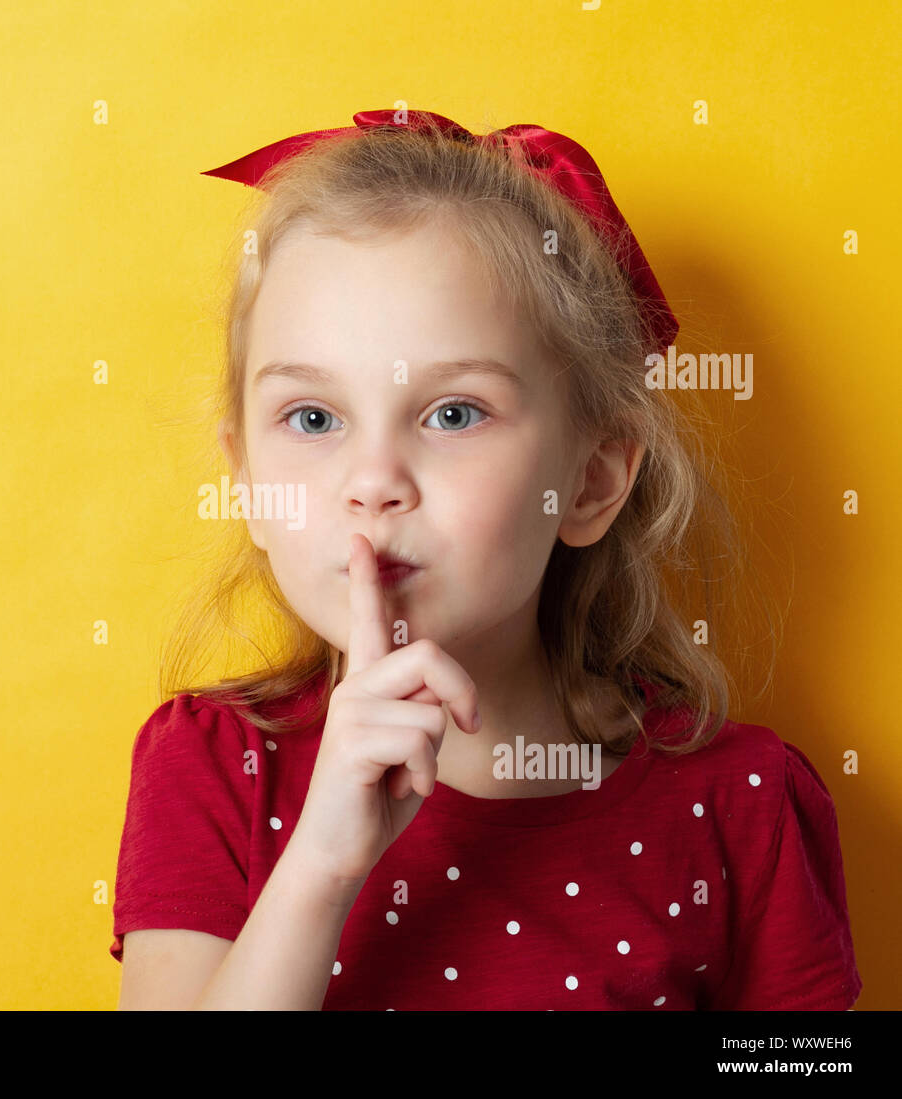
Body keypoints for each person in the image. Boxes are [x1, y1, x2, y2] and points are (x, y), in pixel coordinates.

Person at [109, 109, 862, 1010]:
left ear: (589, 481)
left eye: (453, 413)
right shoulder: (214, 766)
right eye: (313, 418)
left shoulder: (742, 804)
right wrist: (322, 862)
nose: (373, 483)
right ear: (246, 483)